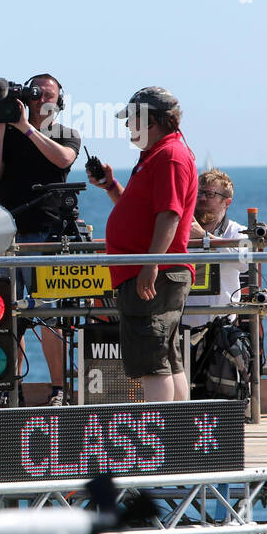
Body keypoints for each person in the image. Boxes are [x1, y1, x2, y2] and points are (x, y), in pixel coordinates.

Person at [88, 87, 197, 402]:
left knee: (153, 363)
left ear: (152, 120)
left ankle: (161, 443)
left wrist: (150, 264)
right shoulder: (159, 155)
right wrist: (110, 186)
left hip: (153, 273)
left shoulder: (169, 156)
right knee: (167, 359)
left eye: (132, 120)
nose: (127, 127)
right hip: (155, 270)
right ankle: (177, 439)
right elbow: (147, 214)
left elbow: (169, 215)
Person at [0, 74, 82, 406]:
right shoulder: (9, 135)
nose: (41, 101)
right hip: (8, 234)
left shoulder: (66, 135)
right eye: (36, 95)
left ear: (60, 101)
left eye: (48, 96)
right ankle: (12, 388)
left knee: (49, 314)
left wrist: (26, 127)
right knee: (7, 315)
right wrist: (0, 130)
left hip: (47, 234)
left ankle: (57, 389)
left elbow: (63, 160)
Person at [184, 168, 247, 327]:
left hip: (221, 330)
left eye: (210, 194)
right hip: (180, 326)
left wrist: (205, 238)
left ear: (227, 201)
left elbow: (245, 264)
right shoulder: (179, 229)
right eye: (199, 193)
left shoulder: (236, 231)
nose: (202, 198)